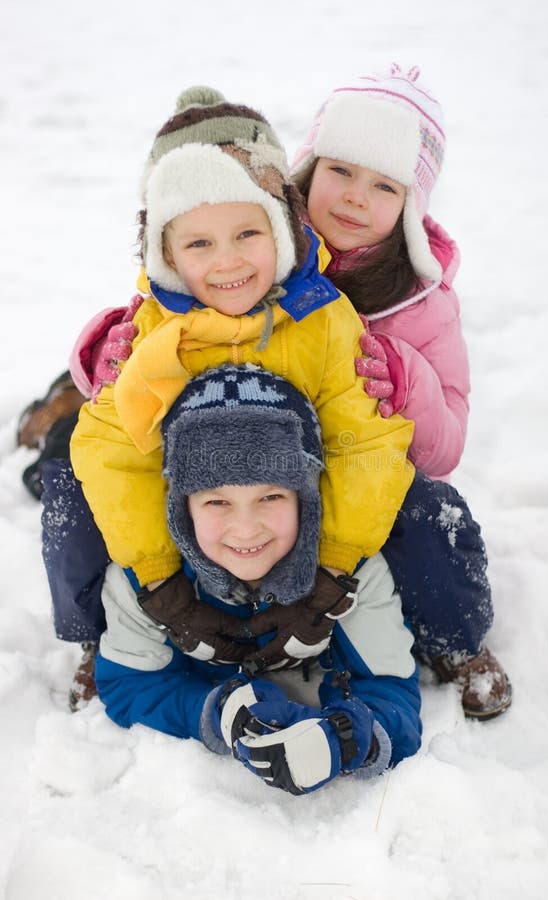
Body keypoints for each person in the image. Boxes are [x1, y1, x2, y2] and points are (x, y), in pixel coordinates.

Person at [43, 85, 414, 707]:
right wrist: (158, 582)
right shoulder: (152, 337)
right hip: (193, 514)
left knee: (409, 508)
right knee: (72, 497)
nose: (227, 262)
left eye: (249, 233)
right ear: (164, 253)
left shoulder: (322, 321)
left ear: (284, 228)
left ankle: (429, 637)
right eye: (198, 244)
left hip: (285, 509)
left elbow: (365, 444)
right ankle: (95, 636)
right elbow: (116, 456)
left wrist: (332, 570)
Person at [289, 63, 511, 717]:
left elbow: (446, 448)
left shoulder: (423, 302)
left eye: (384, 184)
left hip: (367, 477)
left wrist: (409, 381)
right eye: (341, 171)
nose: (356, 197)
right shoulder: (253, 250)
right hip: (261, 467)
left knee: (428, 514)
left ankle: (456, 643)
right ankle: (128, 643)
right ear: (308, 169)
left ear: (411, 203)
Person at [95, 363, 422, 795]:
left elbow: (390, 687)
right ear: (181, 508)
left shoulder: (355, 572)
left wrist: (351, 739)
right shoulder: (146, 581)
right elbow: (130, 684)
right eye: (217, 502)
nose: (246, 529)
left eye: (270, 496)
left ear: (305, 497)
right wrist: (215, 711)